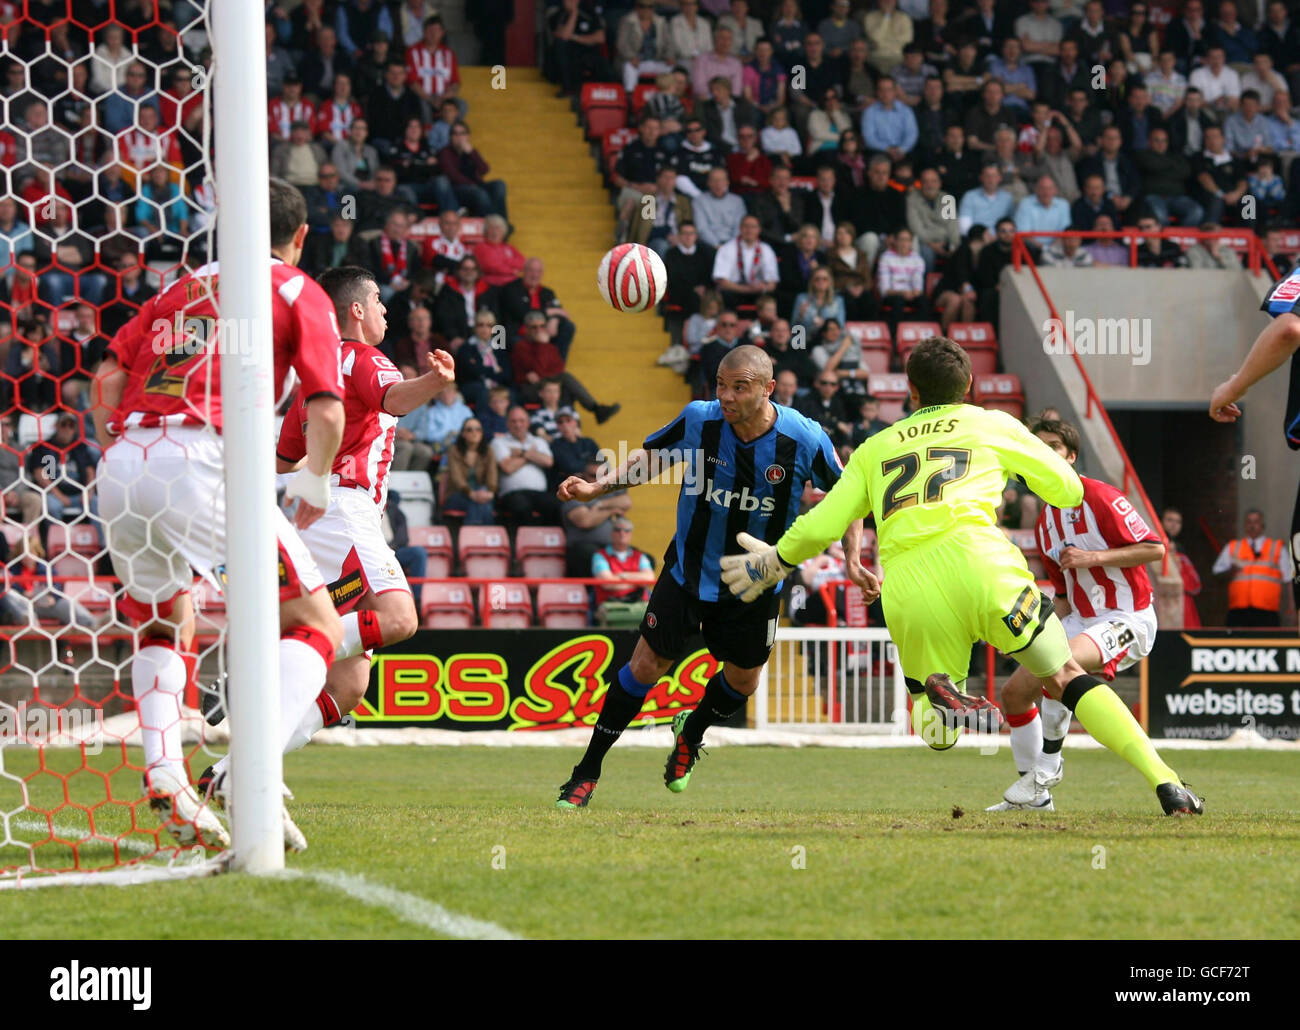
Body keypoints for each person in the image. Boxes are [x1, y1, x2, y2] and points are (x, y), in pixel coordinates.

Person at [723, 336, 1205, 817]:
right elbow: (1067, 488)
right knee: (1063, 675)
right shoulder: (991, 424)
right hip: (984, 566)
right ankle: (1165, 782)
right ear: (969, 386)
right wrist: (1019, 471)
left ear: (911, 391)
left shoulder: (874, 449)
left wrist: (775, 561)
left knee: (937, 733)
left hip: (910, 584)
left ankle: (941, 699)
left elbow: (825, 522)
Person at [91, 179, 349, 851]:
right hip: (203, 457)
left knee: (164, 618)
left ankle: (164, 771)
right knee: (315, 623)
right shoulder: (296, 290)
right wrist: (315, 480)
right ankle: (247, 772)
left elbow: (106, 382)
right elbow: (327, 407)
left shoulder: (173, 292)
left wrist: (128, 454)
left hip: (124, 460)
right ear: (299, 238)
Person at [553, 345, 857, 809]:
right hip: (689, 573)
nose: (726, 395)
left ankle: (689, 734)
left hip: (755, 583)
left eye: (740, 386)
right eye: (720, 384)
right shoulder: (700, 419)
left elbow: (850, 495)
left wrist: (853, 560)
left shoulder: (804, 437)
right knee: (645, 667)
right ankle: (586, 772)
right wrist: (597, 487)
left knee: (744, 682)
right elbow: (650, 459)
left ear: (768, 389)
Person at [271, 265, 455, 764]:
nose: (384, 309)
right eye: (377, 300)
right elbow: (393, 399)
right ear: (356, 309)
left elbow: (284, 458)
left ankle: (234, 770)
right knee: (398, 618)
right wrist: (435, 381)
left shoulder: (316, 374)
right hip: (345, 508)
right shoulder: (362, 357)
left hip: (315, 516)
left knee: (349, 685)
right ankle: (272, 664)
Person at [986, 418, 1165, 811]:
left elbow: (1155, 548)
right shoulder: (1044, 521)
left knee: (1057, 665)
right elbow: (1063, 597)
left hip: (1128, 616)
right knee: (1014, 694)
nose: (1044, 453)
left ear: (1071, 456)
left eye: (1053, 446)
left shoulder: (1099, 496)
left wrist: (1095, 556)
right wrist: (1023, 634)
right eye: (1037, 447)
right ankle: (1034, 798)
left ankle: (1049, 766)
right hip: (1081, 619)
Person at [1208, 509, 1291, 626]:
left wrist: (1292, 609)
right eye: (1249, 522)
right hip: (1238, 612)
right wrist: (1230, 570)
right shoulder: (1233, 547)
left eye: (1256, 522)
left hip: (1267, 612)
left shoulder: (1277, 548)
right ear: (1244, 525)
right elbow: (1217, 573)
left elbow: (1289, 580)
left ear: (1263, 525)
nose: (1252, 526)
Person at [494, 406, 562, 527]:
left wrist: (522, 453)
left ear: (528, 423)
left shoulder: (538, 441)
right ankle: (528, 542)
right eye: (513, 421)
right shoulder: (499, 442)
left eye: (521, 421)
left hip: (539, 494)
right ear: (507, 423)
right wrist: (531, 455)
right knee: (521, 506)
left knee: (559, 506)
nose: (518, 425)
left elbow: (548, 461)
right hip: (512, 494)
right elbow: (508, 468)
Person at [593, 516, 656, 618]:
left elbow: (650, 579)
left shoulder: (640, 556)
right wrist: (638, 582)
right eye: (618, 530)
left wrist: (622, 575)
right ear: (612, 533)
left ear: (631, 534)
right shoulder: (599, 556)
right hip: (610, 606)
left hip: (639, 603)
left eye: (627, 530)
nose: (622, 533)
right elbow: (607, 583)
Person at [443, 417, 498, 524]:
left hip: (481, 492)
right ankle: (483, 537)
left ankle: (474, 537)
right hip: (457, 493)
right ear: (463, 434)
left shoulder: (488, 450)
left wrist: (491, 492)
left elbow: (492, 473)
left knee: (482, 501)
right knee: (479, 503)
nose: (474, 433)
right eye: (469, 430)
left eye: (478, 429)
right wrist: (471, 493)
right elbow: (456, 477)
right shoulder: (454, 450)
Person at [1161, 506, 1202, 628]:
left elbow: (1195, 586)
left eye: (1178, 522)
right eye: (1169, 520)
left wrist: (1178, 565)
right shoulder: (1150, 546)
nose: (1174, 525)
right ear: (1160, 522)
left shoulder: (1181, 553)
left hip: (1181, 608)